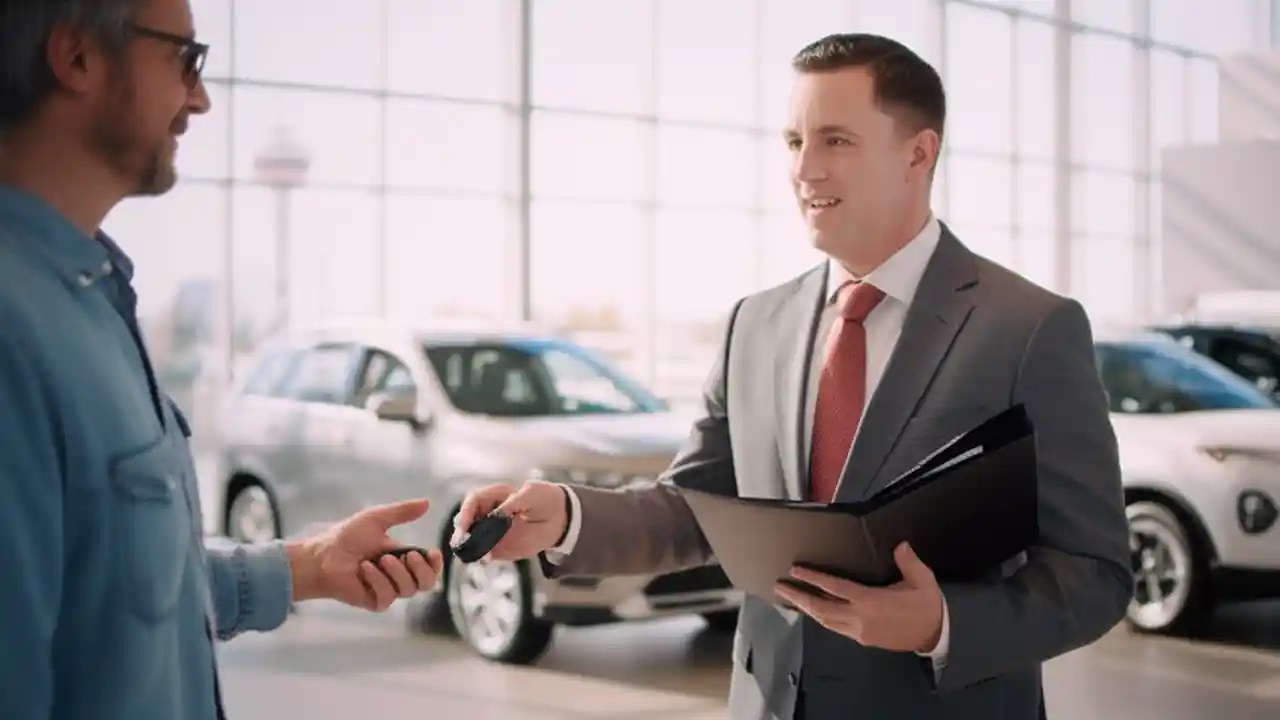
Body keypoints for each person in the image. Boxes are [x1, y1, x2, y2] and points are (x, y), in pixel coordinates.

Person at [456, 33, 1132, 720]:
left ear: (918, 154)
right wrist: (567, 516)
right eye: (792, 141)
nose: (804, 169)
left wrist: (942, 624)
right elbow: (700, 509)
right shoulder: (755, 324)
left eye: (835, 141)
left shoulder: (1029, 329)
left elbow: (1096, 574)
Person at [0, 1, 445, 718]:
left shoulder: (92, 300)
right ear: (76, 56)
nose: (200, 98)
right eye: (185, 58)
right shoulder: (15, 333)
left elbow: (110, 597)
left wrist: (309, 565)